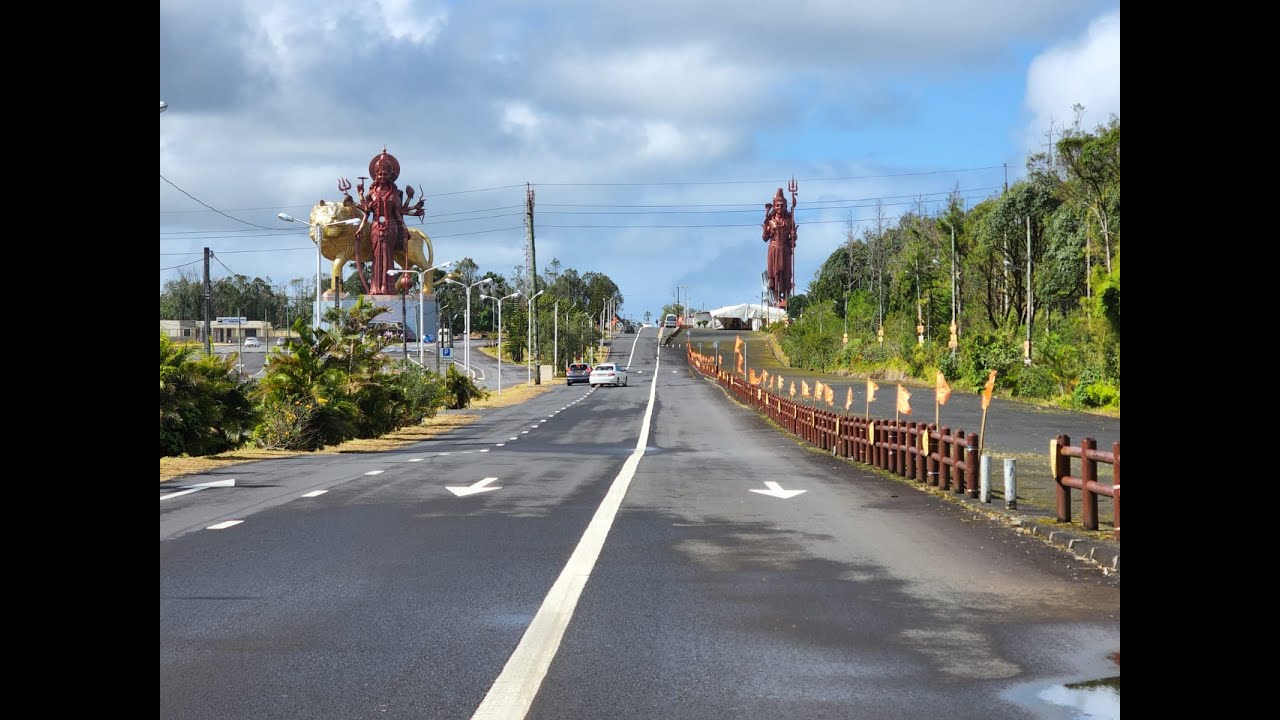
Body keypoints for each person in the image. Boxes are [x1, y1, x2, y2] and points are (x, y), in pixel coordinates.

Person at [347, 149, 425, 295]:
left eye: (385, 174)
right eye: (380, 173)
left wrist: (405, 228)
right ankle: (375, 287)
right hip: (376, 227)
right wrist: (357, 199)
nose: (382, 176)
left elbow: (399, 212)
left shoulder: (395, 193)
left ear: (391, 175)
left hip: (391, 228)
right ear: (375, 175)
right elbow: (366, 211)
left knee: (388, 256)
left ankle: (388, 288)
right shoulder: (372, 193)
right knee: (377, 257)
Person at [762, 179, 798, 306]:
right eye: (777, 205)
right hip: (774, 249)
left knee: (786, 274)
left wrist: (793, 236)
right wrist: (766, 228)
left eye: (782, 205)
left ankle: (787, 298)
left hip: (785, 249)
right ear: (774, 205)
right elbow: (765, 238)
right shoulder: (770, 221)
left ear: (785, 206)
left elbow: (793, 242)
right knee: (775, 274)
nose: (779, 207)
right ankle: (776, 299)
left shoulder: (789, 221)